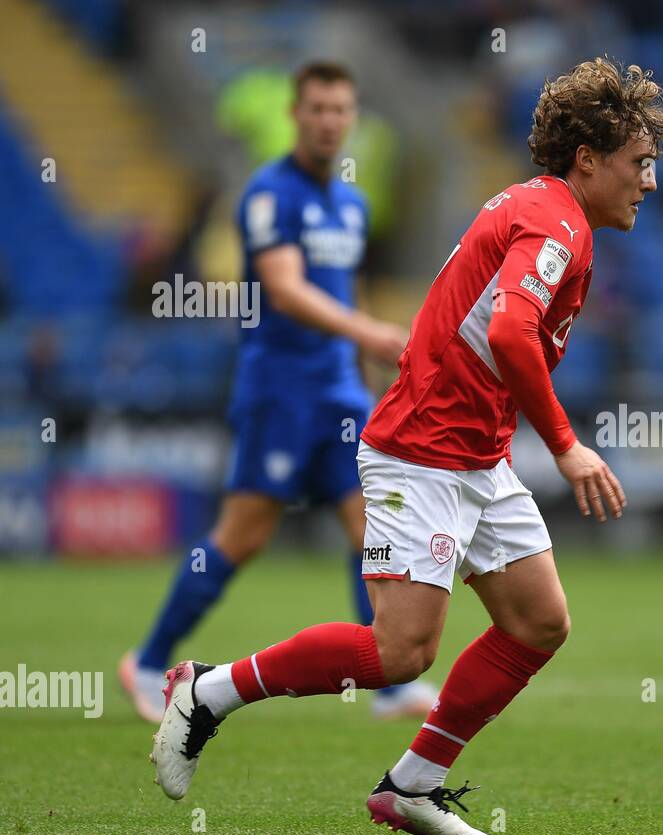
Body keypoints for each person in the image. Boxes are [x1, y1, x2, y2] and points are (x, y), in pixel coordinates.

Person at [149, 58, 663, 835]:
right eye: (641, 164)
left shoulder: (551, 214)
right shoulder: (555, 219)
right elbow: (509, 329)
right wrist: (566, 445)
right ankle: (207, 692)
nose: (651, 183)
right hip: (421, 452)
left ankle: (412, 786)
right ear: (588, 160)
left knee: (538, 621)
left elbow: (501, 331)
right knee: (402, 654)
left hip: (473, 456)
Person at [121, 61, 435, 723]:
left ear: (353, 120)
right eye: (317, 109)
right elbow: (287, 290)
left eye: (339, 110)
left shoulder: (352, 202)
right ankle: (147, 661)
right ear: (296, 115)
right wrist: (373, 333)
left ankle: (388, 681)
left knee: (368, 526)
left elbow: (346, 290)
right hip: (279, 391)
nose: (328, 122)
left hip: (340, 392)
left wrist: (369, 365)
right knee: (243, 535)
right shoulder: (269, 193)